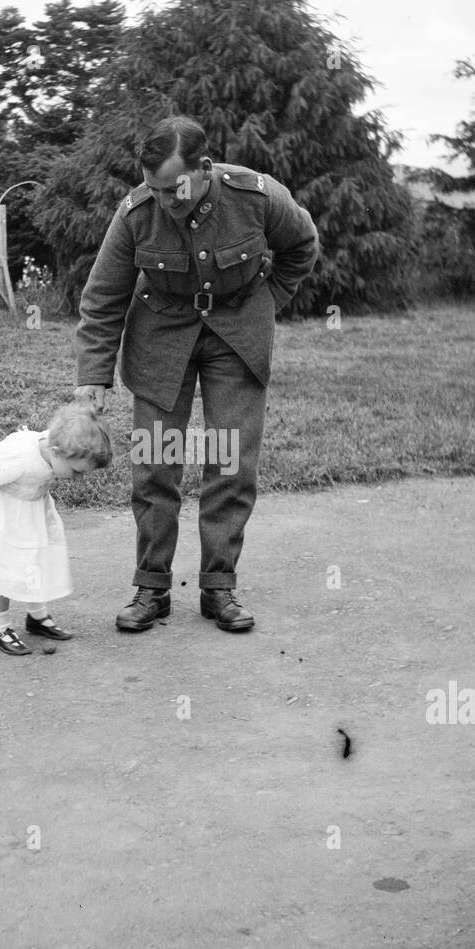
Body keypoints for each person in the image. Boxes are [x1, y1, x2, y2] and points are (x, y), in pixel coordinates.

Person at [73, 115, 319, 633]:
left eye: (173, 188)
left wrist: (268, 301)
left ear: (205, 168)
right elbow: (103, 296)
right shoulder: (137, 211)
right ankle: (151, 588)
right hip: (161, 339)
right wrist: (94, 374)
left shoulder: (257, 196)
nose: (165, 200)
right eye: (154, 189)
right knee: (156, 464)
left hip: (237, 338)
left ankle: (219, 589)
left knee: (229, 460)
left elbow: (302, 245)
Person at [0, 402, 112, 656]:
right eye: (76, 472)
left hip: (31, 516)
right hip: (3, 519)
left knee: (35, 564)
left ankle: (36, 618)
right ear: (57, 451)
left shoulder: (56, 449)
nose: (78, 479)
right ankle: (0, 629)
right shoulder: (20, 455)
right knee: (1, 572)